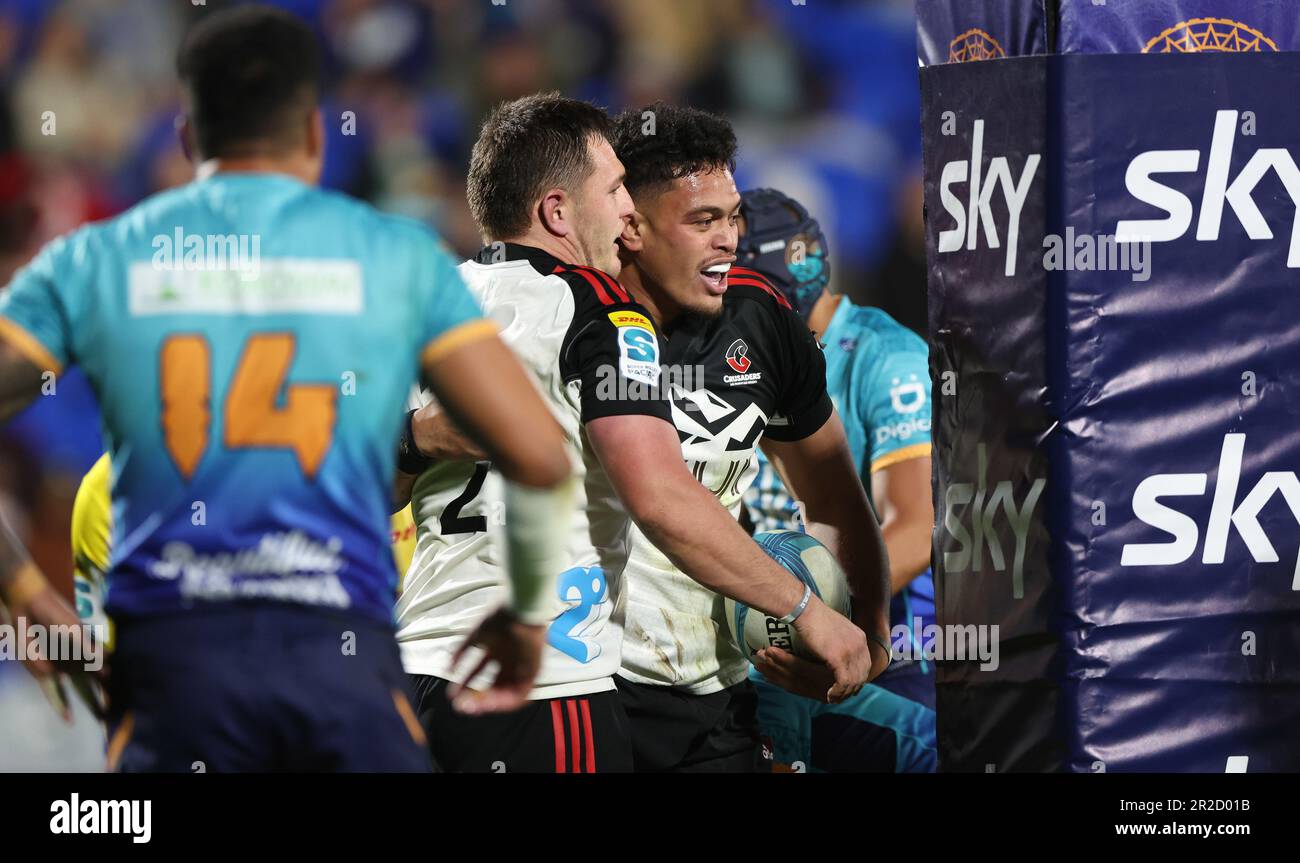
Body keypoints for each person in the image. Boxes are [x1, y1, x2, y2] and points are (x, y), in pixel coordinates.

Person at [0, 5, 573, 772]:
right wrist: (525, 616)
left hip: (178, 676)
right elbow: (538, 452)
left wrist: (27, 592)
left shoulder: (91, 262)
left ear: (184, 138)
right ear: (313, 134)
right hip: (342, 671)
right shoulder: (397, 258)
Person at [392, 94, 875, 772]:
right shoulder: (603, 314)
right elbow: (659, 497)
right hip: (550, 684)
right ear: (558, 210)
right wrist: (805, 607)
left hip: (420, 675)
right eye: (614, 190)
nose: (624, 214)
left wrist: (422, 437)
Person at [607, 103, 892, 772]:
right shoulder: (571, 321)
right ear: (633, 226)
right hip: (585, 685)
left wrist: (870, 634)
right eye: (702, 221)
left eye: (732, 216)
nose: (729, 239)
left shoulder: (762, 322)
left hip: (713, 692)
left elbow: (833, 498)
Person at [737, 187, 937, 772]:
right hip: (775, 620)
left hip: (889, 638)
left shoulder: (886, 357)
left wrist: (810, 609)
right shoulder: (747, 354)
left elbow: (915, 525)